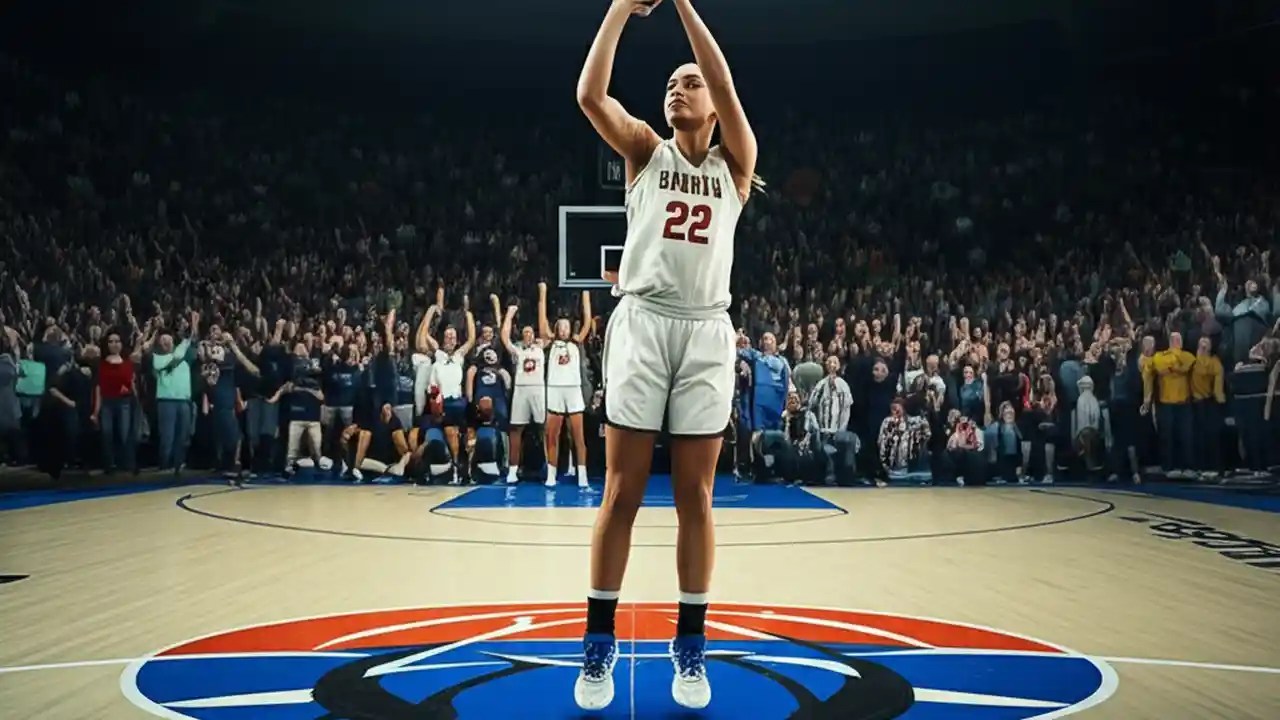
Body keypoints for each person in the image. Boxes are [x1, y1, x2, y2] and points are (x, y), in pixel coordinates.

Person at [573, 0, 757, 710]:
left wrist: (681, 4)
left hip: (707, 330)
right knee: (621, 491)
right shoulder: (645, 149)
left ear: (711, 104)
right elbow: (590, 95)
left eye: (690, 83)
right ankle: (598, 645)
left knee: (695, 497)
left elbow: (725, 80)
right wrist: (621, 7)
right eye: (671, 83)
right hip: (644, 323)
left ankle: (690, 644)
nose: (677, 87)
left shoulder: (736, 164)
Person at [538, 282, 593, 488]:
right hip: (554, 390)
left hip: (573, 390)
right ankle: (551, 475)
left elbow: (587, 322)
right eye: (560, 326)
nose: (563, 329)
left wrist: (586, 295)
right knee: (553, 435)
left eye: (566, 326)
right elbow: (542, 322)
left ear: (570, 328)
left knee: (578, 436)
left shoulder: (577, 341)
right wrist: (543, 293)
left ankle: (582, 474)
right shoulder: (550, 342)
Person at [499, 300, 547, 484]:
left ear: (534, 335)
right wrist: (509, 315)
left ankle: (549, 469)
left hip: (538, 390)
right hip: (521, 391)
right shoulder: (518, 351)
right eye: (525, 332)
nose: (528, 334)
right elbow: (505, 337)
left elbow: (546, 332)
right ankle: (512, 470)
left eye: (530, 332)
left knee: (544, 428)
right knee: (516, 429)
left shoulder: (541, 349)